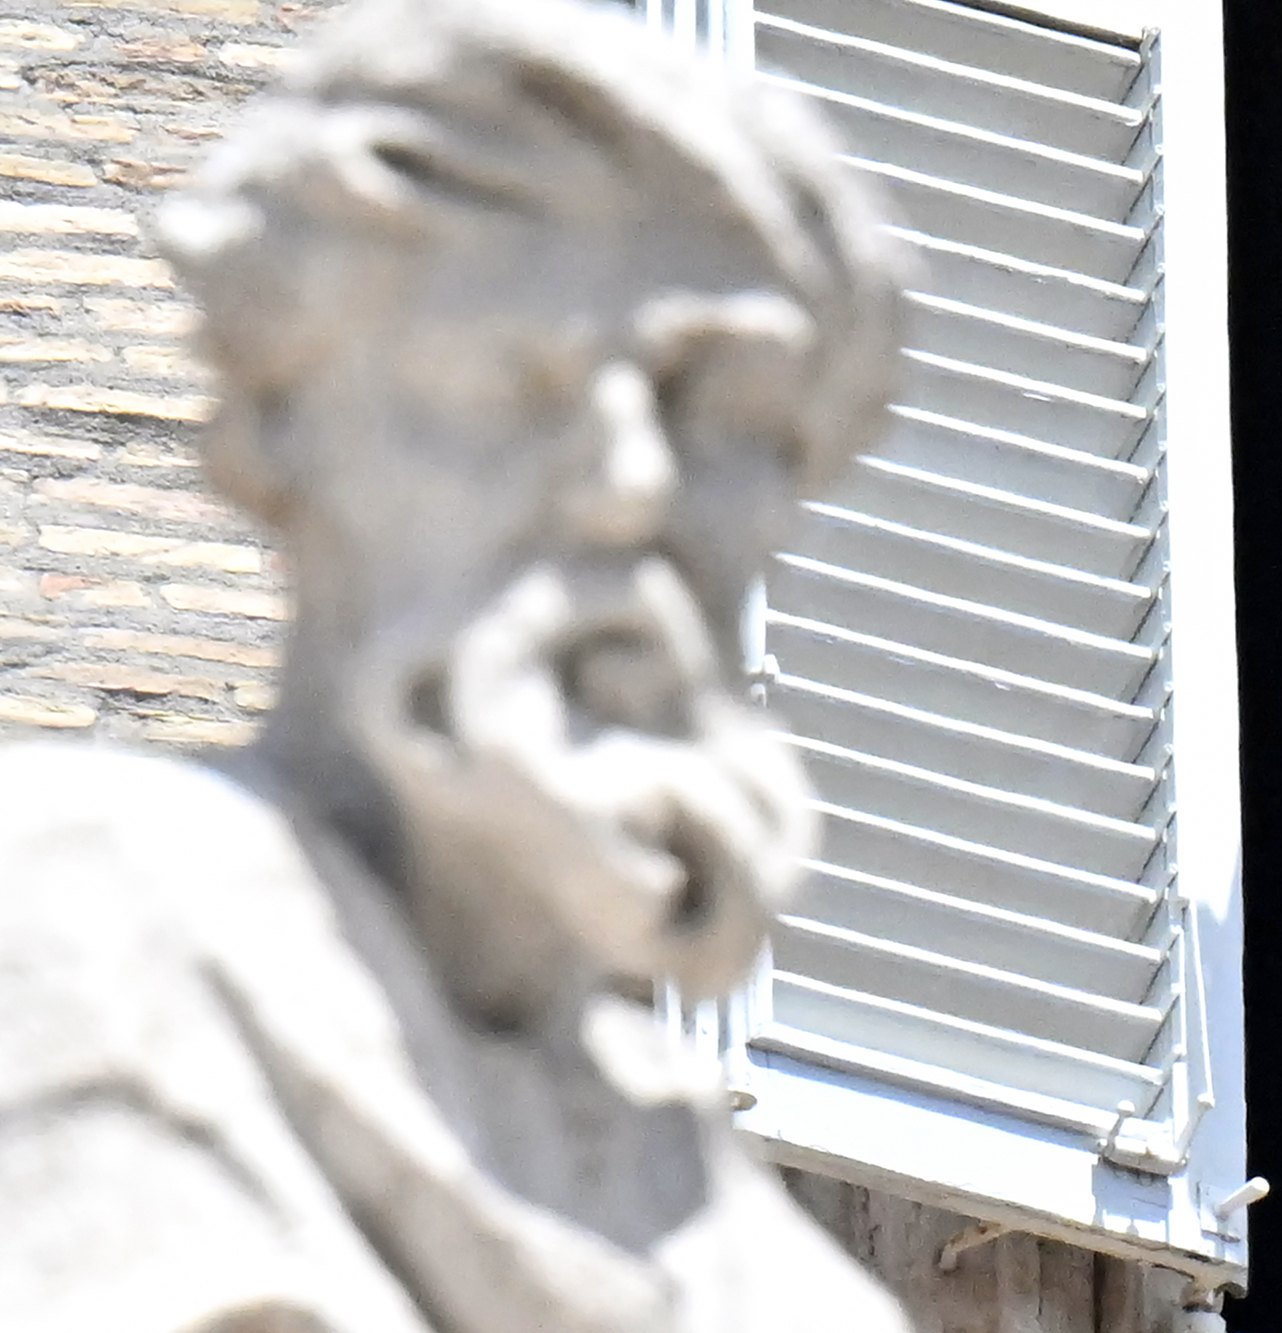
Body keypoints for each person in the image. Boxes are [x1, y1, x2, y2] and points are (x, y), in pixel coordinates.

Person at [0, 0, 914, 1329]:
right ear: (273, 426)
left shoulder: (765, 1274)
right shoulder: (72, 932)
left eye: (713, 403)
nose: (626, 485)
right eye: (507, 383)